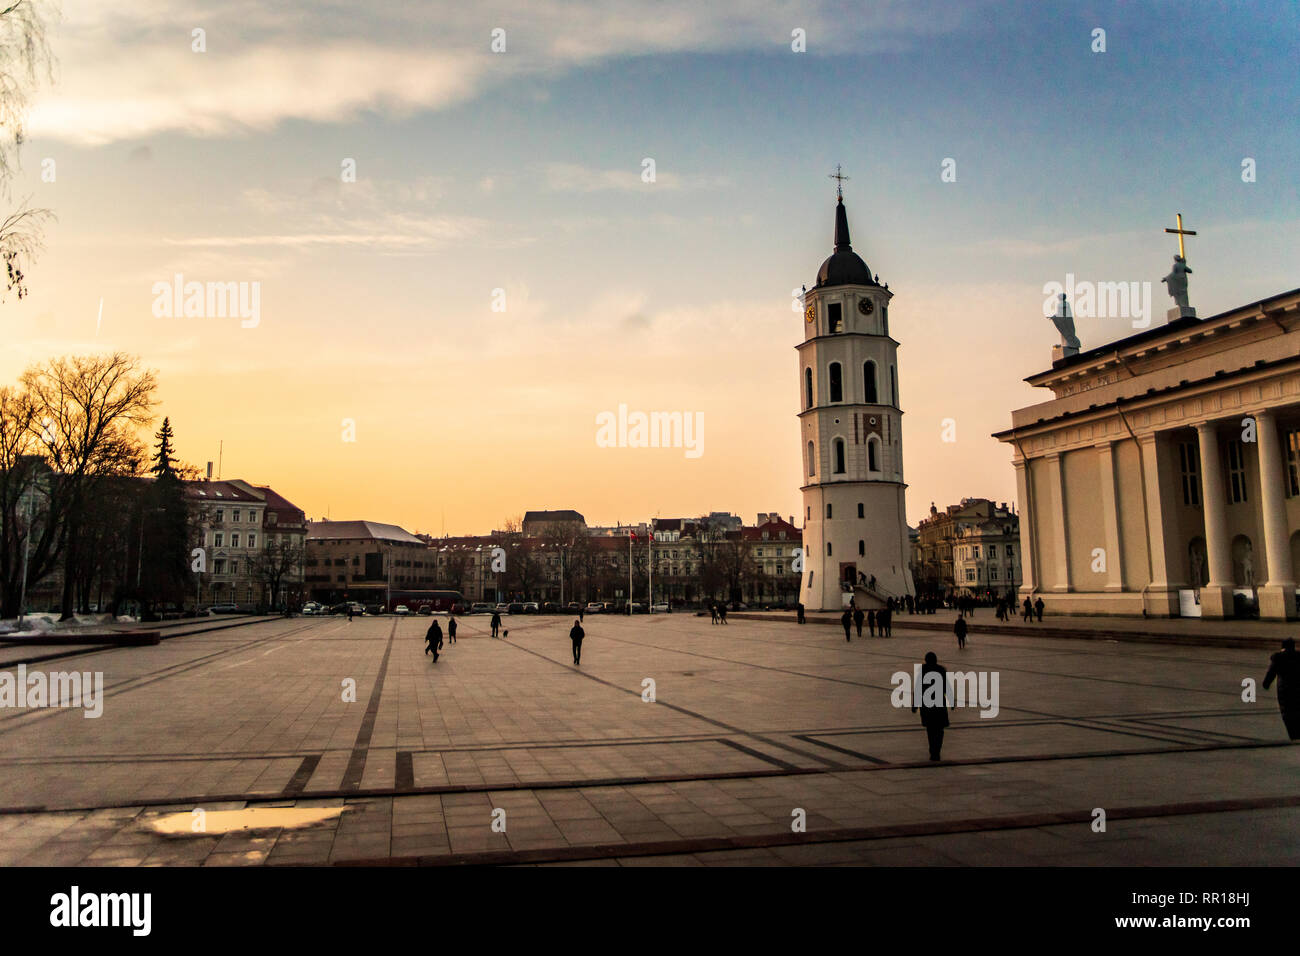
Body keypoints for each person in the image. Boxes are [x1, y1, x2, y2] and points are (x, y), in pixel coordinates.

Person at [912, 651, 950, 761]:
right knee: (939, 729)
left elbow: (918, 689)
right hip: (939, 704)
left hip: (926, 705)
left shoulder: (922, 671)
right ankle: (937, 750)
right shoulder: (941, 671)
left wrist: (915, 705)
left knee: (930, 729)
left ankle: (933, 750)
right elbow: (946, 687)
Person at [1263, 638, 1300, 740]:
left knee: (1287, 713)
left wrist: (1266, 683)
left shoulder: (1278, 657)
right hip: (1298, 689)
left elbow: (1271, 672)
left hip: (1285, 690)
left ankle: (1294, 736)